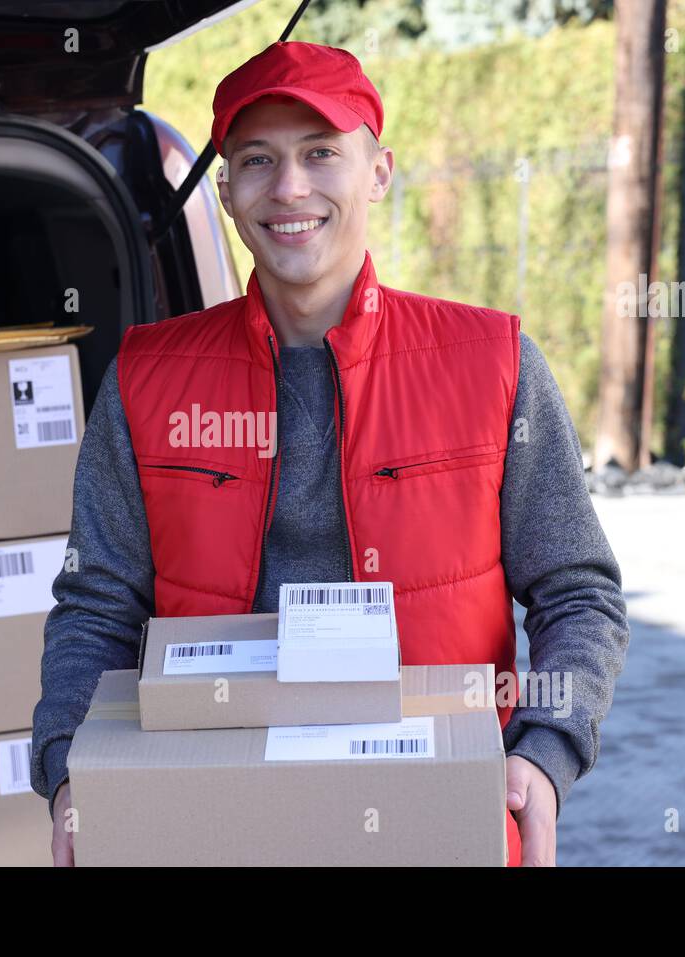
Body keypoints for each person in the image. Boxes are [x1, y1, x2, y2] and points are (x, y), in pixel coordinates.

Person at [31, 40, 630, 867]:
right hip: (212, 824)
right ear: (226, 190)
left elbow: (577, 588)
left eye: (321, 154)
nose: (290, 189)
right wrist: (71, 775)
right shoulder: (146, 381)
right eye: (257, 160)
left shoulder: (491, 363)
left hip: (433, 816)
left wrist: (545, 751)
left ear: (379, 171)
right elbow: (95, 608)